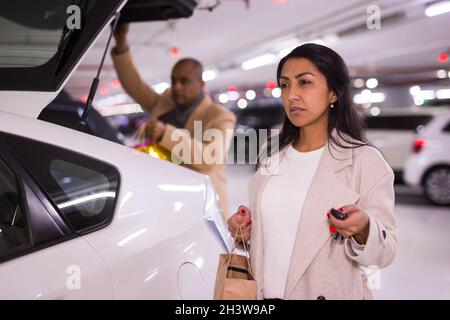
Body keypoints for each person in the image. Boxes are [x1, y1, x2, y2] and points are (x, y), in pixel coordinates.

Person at [227, 44, 397, 300]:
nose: (291, 95)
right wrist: (247, 231)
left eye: (304, 82)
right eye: (284, 85)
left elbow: (385, 253)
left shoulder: (363, 160)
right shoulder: (272, 157)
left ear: (333, 93)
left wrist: (363, 228)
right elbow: (277, 241)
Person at [111, 24, 236, 218]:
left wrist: (165, 134)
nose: (177, 87)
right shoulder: (165, 102)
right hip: (167, 200)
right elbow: (134, 86)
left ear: (201, 84)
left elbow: (210, 159)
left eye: (184, 81)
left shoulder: (220, 116)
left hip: (204, 207)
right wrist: (121, 45)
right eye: (173, 80)